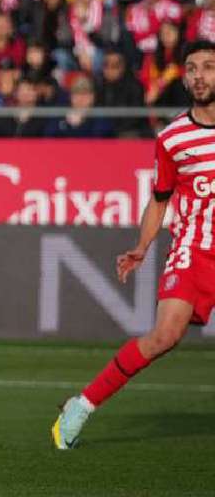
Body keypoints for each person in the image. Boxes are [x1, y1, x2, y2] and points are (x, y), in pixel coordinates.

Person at [53, 40, 215, 449]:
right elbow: (160, 200)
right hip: (194, 249)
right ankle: (81, 405)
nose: (200, 76)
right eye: (192, 68)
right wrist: (143, 246)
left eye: (209, 67)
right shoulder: (173, 138)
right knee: (164, 336)